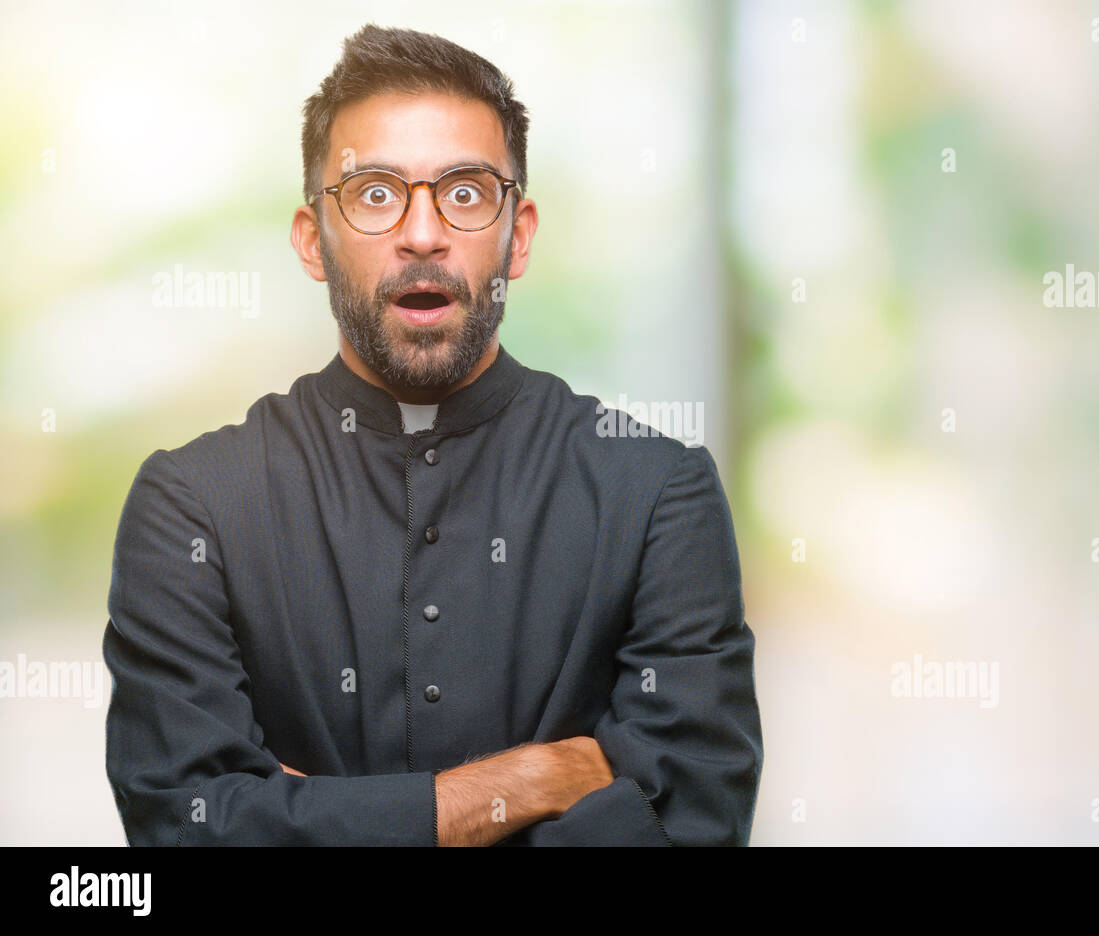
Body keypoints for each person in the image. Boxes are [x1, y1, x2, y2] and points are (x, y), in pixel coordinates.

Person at [102, 23, 762, 846]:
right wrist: (520, 786)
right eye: (375, 192)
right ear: (314, 241)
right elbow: (186, 827)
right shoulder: (192, 505)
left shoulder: (659, 493)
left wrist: (308, 820)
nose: (422, 234)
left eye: (464, 190)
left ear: (516, 236)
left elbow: (689, 826)